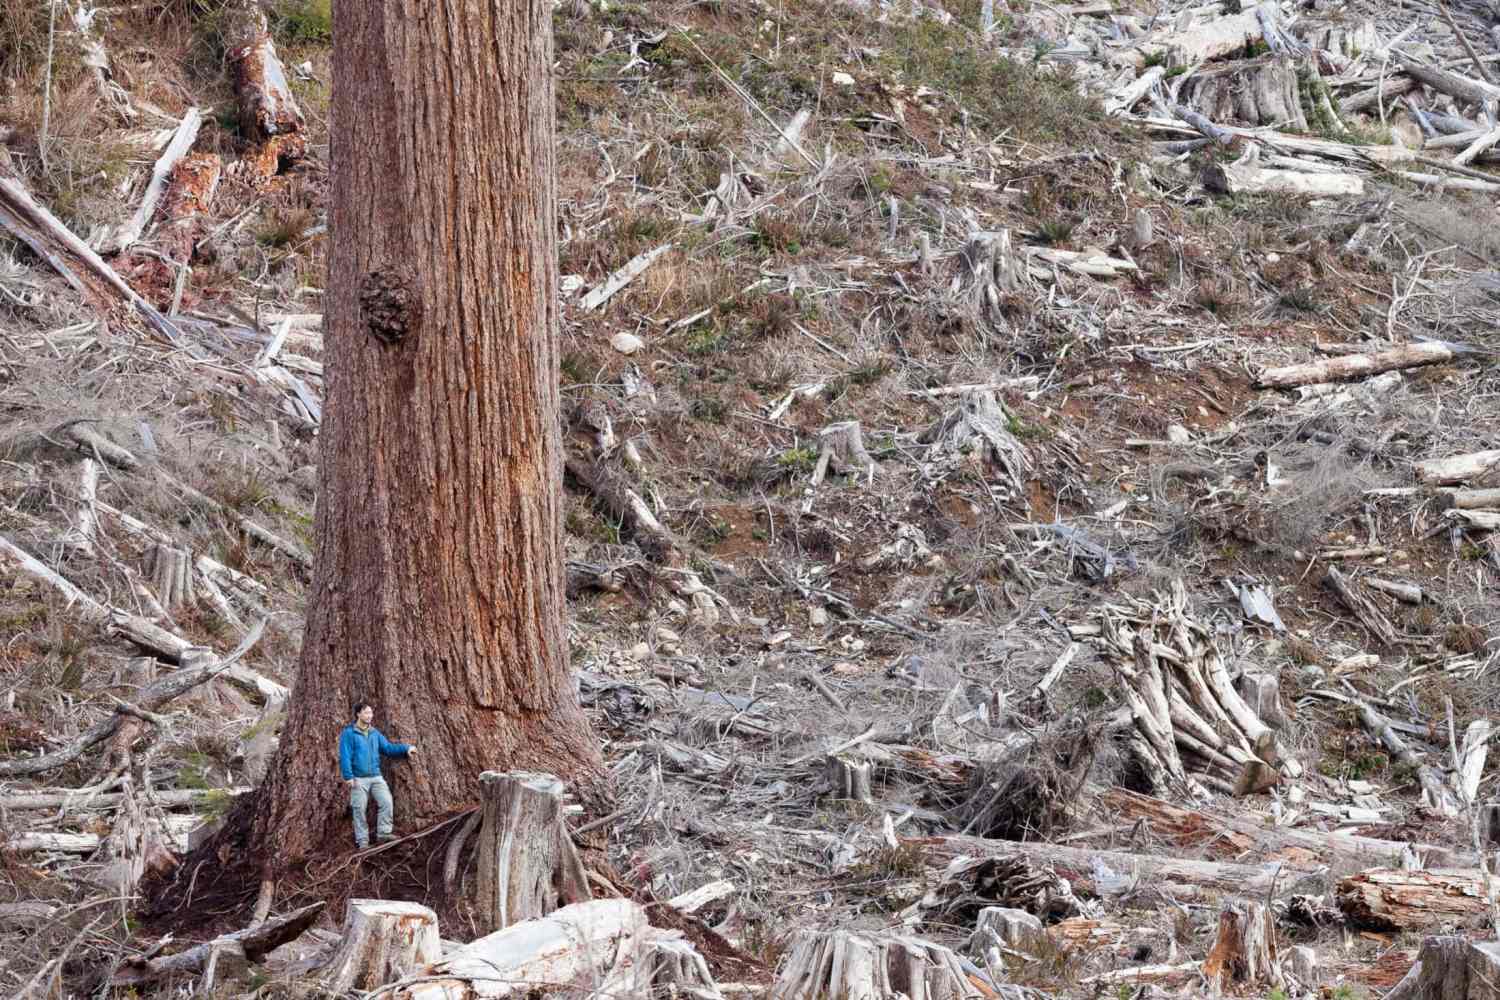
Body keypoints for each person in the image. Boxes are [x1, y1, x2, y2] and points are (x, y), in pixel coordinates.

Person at [338, 701, 418, 849]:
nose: (370, 716)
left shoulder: (374, 733)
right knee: (359, 809)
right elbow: (345, 756)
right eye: (366, 713)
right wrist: (348, 776)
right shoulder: (349, 733)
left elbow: (387, 748)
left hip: (376, 776)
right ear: (358, 714)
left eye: (371, 713)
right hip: (358, 778)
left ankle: (384, 833)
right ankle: (363, 842)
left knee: (386, 802)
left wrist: (406, 748)